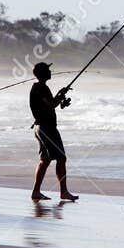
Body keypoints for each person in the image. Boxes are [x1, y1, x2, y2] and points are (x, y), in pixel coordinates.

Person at [28, 61, 77, 203]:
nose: (50, 72)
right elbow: (52, 104)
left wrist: (61, 98)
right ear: (43, 73)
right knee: (61, 158)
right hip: (46, 128)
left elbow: (50, 105)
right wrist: (60, 95)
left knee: (45, 160)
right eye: (48, 70)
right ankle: (64, 192)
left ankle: (36, 192)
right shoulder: (40, 88)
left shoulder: (40, 87)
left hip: (40, 128)